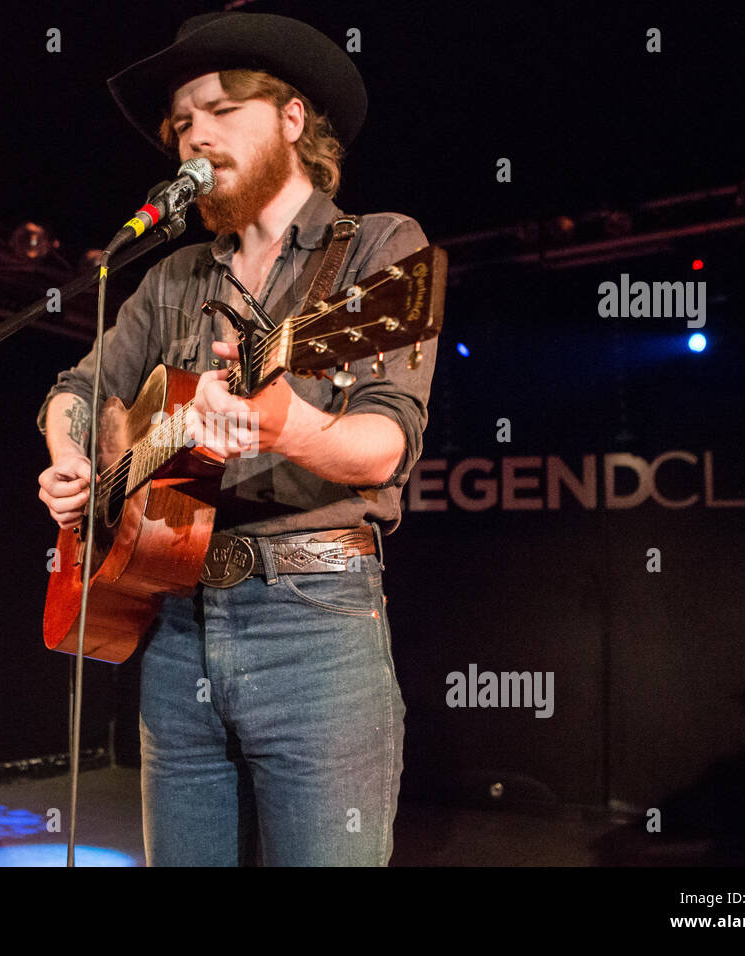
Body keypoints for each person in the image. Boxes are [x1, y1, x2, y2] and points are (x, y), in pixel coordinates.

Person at [36, 11, 439, 866]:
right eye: (182, 123)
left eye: (219, 110)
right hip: (174, 625)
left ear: (293, 117)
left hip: (316, 628)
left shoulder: (378, 248)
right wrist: (72, 458)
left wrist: (282, 422)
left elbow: (382, 446)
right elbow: (75, 390)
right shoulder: (172, 276)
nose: (193, 137)